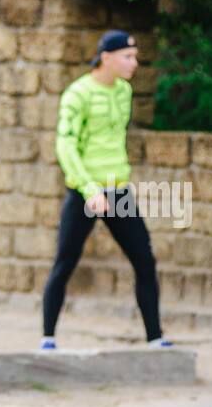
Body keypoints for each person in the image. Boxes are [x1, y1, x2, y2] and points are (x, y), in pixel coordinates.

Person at [40, 29, 172, 351]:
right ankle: (47, 339)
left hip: (118, 191)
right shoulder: (78, 94)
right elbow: (65, 145)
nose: (134, 63)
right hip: (86, 193)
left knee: (144, 260)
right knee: (65, 263)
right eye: (128, 57)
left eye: (135, 56)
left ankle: (155, 338)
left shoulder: (124, 92)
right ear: (107, 58)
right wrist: (89, 189)